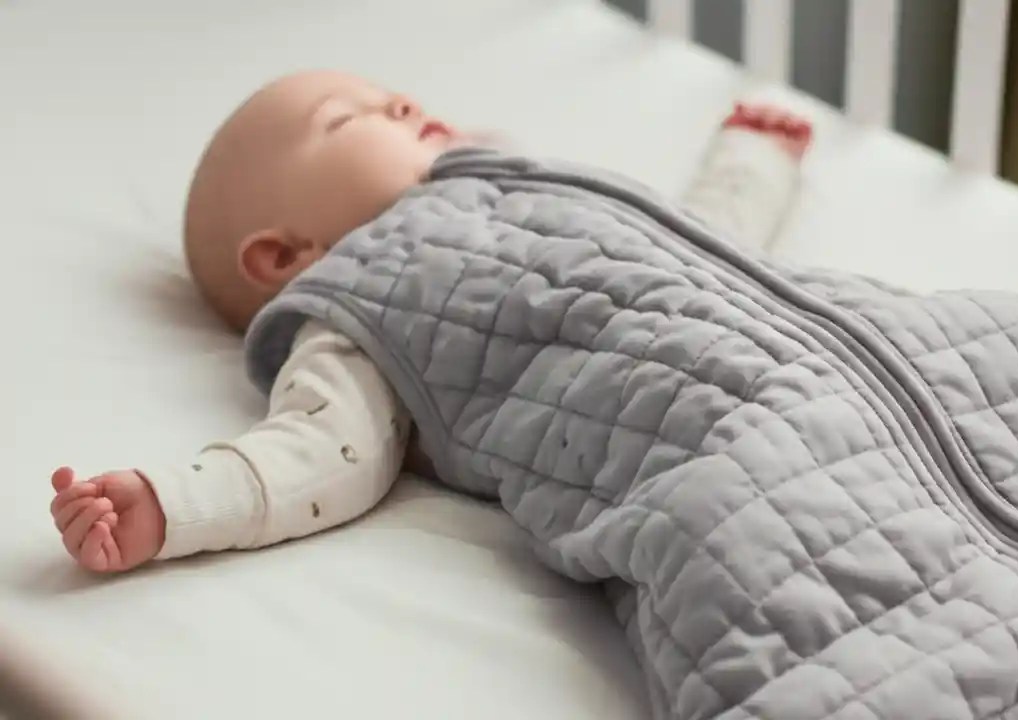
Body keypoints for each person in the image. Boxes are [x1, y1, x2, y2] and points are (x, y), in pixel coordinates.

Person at [47, 69, 815, 573]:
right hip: (707, 446)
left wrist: (752, 161)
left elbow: (700, 245)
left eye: (392, 94)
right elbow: (319, 452)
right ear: (285, 253)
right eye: (344, 119)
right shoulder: (360, 304)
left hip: (822, 348)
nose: (402, 104)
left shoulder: (540, 193)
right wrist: (168, 506)